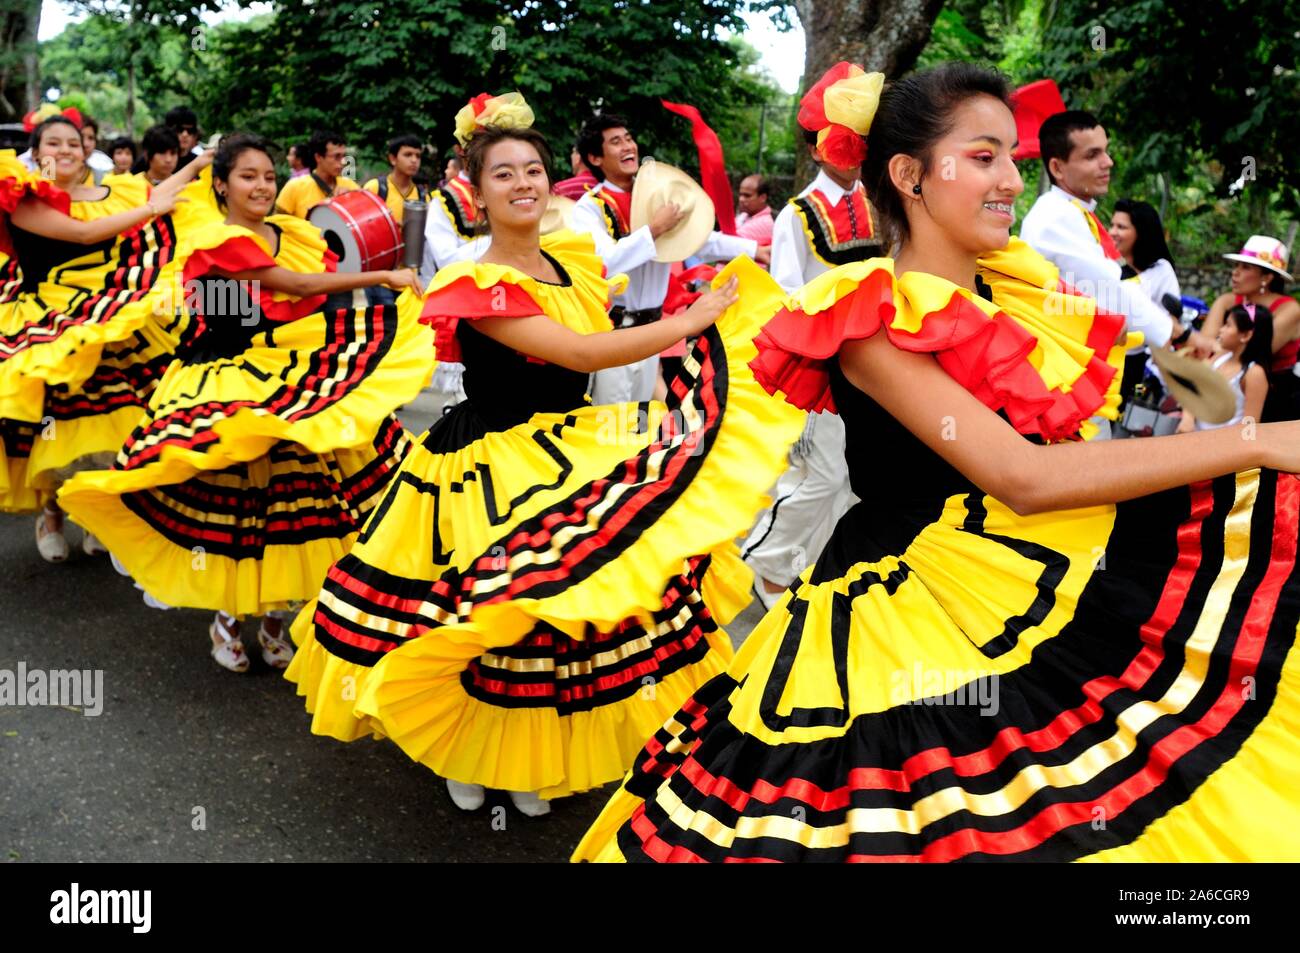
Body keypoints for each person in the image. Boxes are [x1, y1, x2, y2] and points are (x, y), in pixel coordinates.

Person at [574, 62, 1300, 863]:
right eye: (984, 157)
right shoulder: (869, 314)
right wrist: (1255, 440)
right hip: (905, 601)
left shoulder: (1011, 295)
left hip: (1008, 572)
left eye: (1013, 160)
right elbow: (1022, 477)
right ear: (910, 175)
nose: (1010, 182)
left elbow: (1061, 459)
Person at [284, 119, 803, 818]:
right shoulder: (477, 277)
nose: (522, 183)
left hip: (572, 444)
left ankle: (523, 754)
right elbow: (582, 352)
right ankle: (464, 752)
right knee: (491, 614)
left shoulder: (569, 260)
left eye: (532, 169)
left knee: (555, 615)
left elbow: (597, 343)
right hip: (486, 462)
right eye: (503, 173)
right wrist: (688, 322)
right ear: (478, 189)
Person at [59, 133, 429, 674]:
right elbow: (297, 285)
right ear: (222, 185)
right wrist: (386, 275)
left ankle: (276, 622)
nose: (261, 186)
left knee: (300, 506)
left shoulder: (292, 232)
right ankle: (230, 621)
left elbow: (303, 294)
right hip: (222, 380)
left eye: (268, 176)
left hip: (281, 373)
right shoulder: (218, 239)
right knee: (241, 511)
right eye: (247, 176)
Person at [0, 116, 209, 559]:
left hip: (108, 318)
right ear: (36, 153)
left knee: (114, 426)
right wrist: (152, 209)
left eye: (73, 143)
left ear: (85, 151)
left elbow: (160, 193)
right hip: (50, 327)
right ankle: (52, 514)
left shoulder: (118, 191)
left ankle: (96, 514)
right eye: (52, 143)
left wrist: (202, 162)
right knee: (56, 433)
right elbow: (82, 233)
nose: (65, 150)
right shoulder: (24, 196)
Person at [744, 62, 884, 612]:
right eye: (845, 141)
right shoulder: (796, 215)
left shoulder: (881, 203)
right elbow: (784, 295)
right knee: (821, 475)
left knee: (856, 477)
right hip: (822, 366)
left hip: (880, 361)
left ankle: (821, 567)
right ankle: (766, 561)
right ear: (818, 147)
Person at [573, 111, 766, 404]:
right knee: (609, 424)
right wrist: (655, 229)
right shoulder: (589, 207)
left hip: (653, 331)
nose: (628, 146)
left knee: (640, 423)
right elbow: (604, 263)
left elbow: (699, 237)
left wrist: (754, 249)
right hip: (613, 331)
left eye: (629, 138)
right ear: (595, 158)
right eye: (615, 142)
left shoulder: (654, 194)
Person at [1020, 111, 1206, 367]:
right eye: (1092, 155)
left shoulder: (1077, 214)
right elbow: (1110, 290)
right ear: (1057, 168)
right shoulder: (1055, 217)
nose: (1107, 162)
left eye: (1105, 151)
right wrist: (1183, 334)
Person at [1201, 235, 1300, 422]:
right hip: (1223, 385)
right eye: (1236, 266)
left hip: (1273, 400)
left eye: (1246, 267)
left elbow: (1253, 352)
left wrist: (1217, 348)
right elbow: (1203, 346)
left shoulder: (1288, 310)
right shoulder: (1227, 301)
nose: (1235, 273)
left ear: (1267, 277)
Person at [1178, 303, 1272, 432]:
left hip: (1221, 447)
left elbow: (1249, 426)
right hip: (1193, 436)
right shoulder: (1222, 356)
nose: (1220, 330)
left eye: (1228, 325)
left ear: (1246, 336)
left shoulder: (1254, 373)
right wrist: (1188, 418)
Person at [362, 133, 430, 307]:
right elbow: (361, 228)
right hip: (380, 277)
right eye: (408, 155)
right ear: (392, 159)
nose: (414, 160)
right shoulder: (376, 188)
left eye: (418, 156)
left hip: (409, 277)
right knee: (384, 329)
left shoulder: (423, 195)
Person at [274, 128, 358, 219]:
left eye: (344, 156)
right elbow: (276, 226)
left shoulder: (351, 187)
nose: (343, 162)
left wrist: (351, 200)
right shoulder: (294, 187)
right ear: (318, 157)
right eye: (336, 156)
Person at [734, 173, 773, 246]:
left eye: (747, 196)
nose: (741, 199)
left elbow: (728, 242)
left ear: (763, 198)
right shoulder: (744, 215)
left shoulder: (765, 223)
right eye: (740, 195)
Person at [78, 116, 114, 183]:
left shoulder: (102, 179)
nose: (86, 144)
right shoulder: (53, 177)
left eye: (91, 138)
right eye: (81, 136)